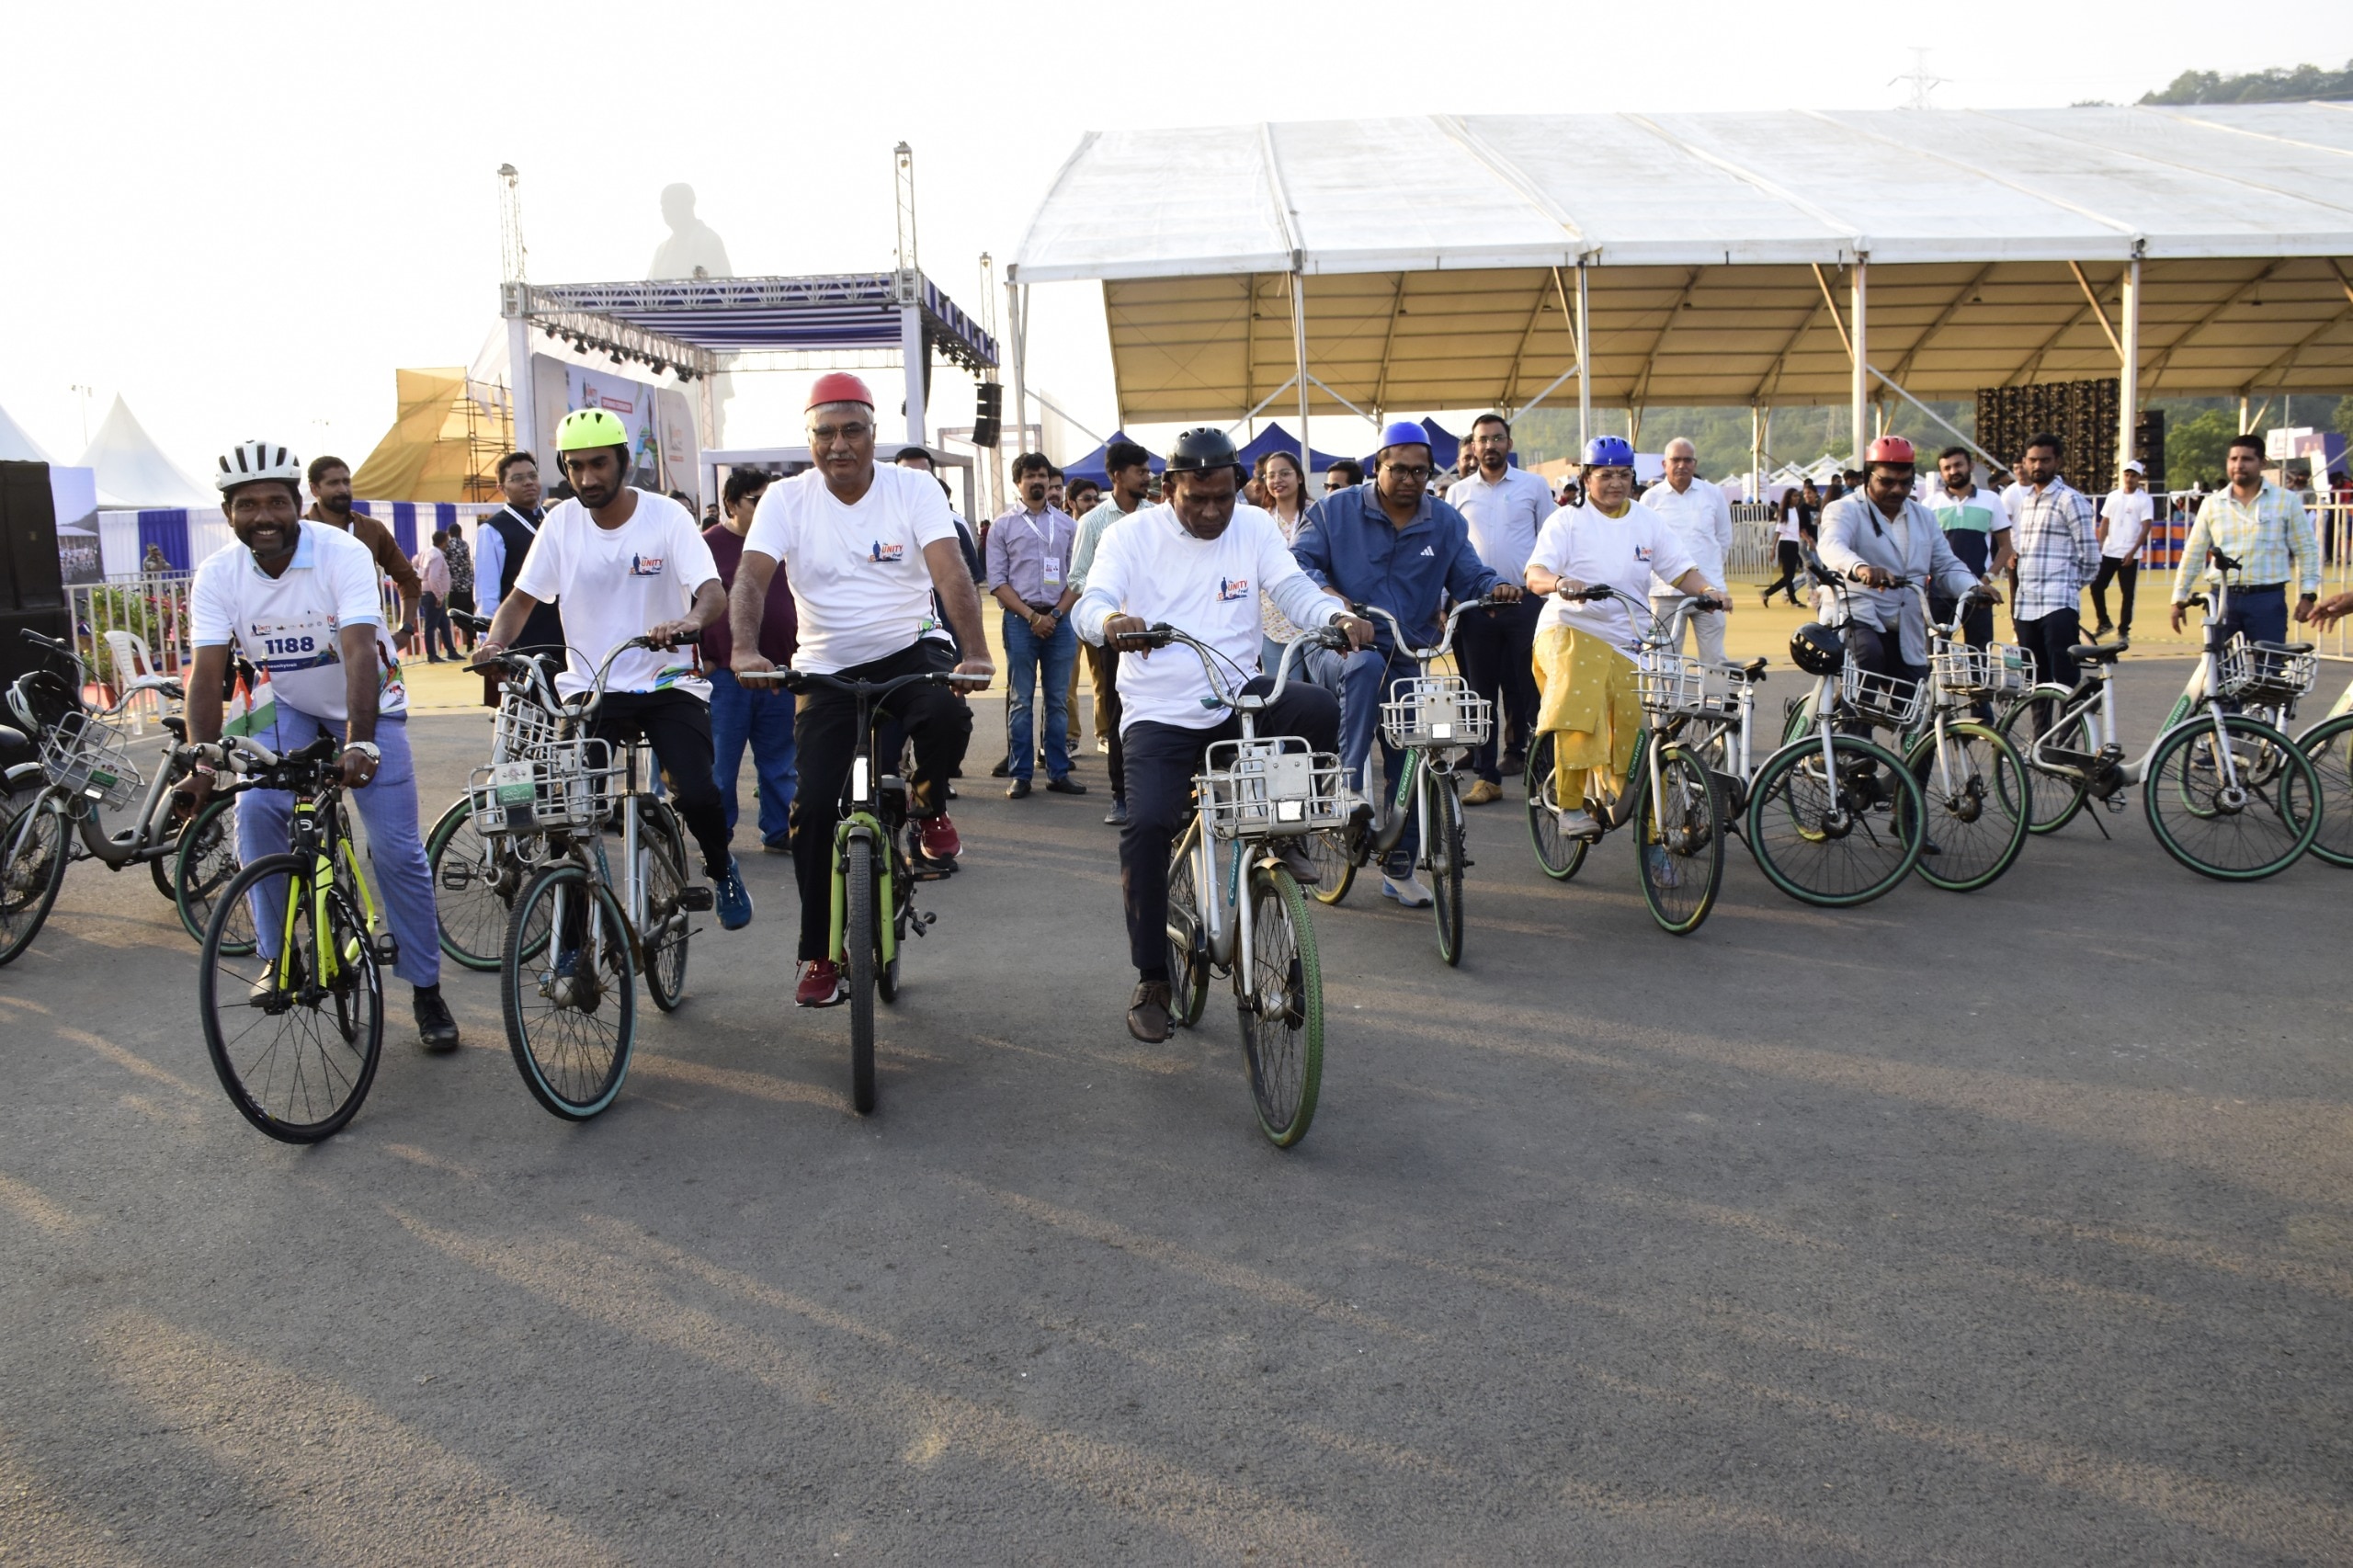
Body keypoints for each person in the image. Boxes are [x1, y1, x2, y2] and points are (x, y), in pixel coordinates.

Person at [1074, 427, 1372, 1043]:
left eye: (1222, 498)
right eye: (1195, 500)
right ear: (1168, 489)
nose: (1211, 512)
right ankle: (1153, 976)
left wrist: (1335, 617)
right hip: (1162, 711)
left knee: (1314, 707)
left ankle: (1287, 833)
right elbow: (1091, 599)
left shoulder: (1255, 527)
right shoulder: (1131, 535)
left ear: (1239, 487)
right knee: (1149, 825)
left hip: (1242, 696)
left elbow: (1292, 590)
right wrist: (1110, 621)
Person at [181, 438, 458, 1051]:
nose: (264, 517)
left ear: (297, 504)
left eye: (276, 502)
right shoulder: (218, 574)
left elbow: (360, 649)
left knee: (394, 849)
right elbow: (206, 673)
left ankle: (425, 985)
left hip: (368, 705)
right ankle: (279, 956)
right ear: (228, 514)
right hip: (290, 704)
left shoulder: (340, 552)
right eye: (247, 505)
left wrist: (360, 744)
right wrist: (200, 762)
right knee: (256, 811)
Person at [725, 372, 992, 1007]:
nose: (839, 445)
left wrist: (976, 650)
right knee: (813, 809)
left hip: (910, 644)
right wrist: (743, 647)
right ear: (809, 439)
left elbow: (949, 570)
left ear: (873, 434)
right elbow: (751, 581)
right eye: (825, 433)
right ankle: (818, 953)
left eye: (852, 431)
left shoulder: (913, 487)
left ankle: (929, 808)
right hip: (825, 669)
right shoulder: (786, 500)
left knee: (946, 716)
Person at [472, 408, 753, 931]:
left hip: (667, 682)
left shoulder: (666, 516)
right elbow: (521, 599)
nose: (587, 479)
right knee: (565, 814)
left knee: (696, 792)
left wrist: (689, 621)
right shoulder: (560, 523)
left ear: (624, 461)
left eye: (598, 464)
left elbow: (711, 592)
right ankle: (574, 942)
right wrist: (493, 644)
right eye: (575, 467)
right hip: (591, 688)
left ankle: (721, 866)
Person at [1291, 419, 1516, 907]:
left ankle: (1399, 867)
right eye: (1400, 470)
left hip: (1409, 653)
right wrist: (1335, 604)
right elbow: (1298, 567)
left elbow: (1470, 574)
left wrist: (1492, 587)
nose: (1411, 479)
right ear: (1377, 468)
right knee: (1366, 668)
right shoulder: (1333, 511)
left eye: (1421, 471)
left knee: (1412, 756)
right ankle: (1350, 790)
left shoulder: (1446, 521)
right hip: (1338, 649)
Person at [1522, 437, 1726, 843]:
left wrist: (1709, 590)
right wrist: (1563, 584)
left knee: (1640, 734)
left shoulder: (1647, 521)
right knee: (1580, 698)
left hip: (1626, 639)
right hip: (1568, 628)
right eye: (1605, 475)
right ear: (1586, 478)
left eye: (1623, 474)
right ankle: (1570, 804)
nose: (1615, 483)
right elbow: (1535, 575)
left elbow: (1681, 570)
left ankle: (1654, 838)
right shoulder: (1566, 520)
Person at [1816, 436, 1997, 700]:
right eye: (1887, 481)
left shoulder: (1923, 516)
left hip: (1907, 624)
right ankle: (1852, 737)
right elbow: (1831, 545)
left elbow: (1946, 565)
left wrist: (1973, 587)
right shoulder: (1844, 510)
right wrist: (1861, 568)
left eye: (1905, 482)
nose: (1897, 490)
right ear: (1868, 477)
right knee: (1868, 661)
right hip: (1858, 612)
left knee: (1916, 702)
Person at [1445, 413, 1552, 802]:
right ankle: (1487, 777)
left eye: (1497, 438)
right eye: (1482, 440)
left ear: (1509, 443)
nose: (1489, 445)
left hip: (1526, 604)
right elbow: (1449, 553)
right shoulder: (1457, 493)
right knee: (1480, 696)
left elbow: (1549, 541)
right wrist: (1445, 605)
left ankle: (1543, 776)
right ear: (1472, 447)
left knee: (1533, 691)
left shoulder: (1533, 486)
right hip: (1476, 607)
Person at [701, 466, 797, 856]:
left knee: (780, 763)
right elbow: (692, 604)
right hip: (727, 675)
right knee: (721, 767)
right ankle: (718, 836)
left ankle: (779, 831)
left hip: (781, 671)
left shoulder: (787, 543)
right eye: (756, 500)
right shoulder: (708, 545)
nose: (765, 507)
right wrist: (705, 657)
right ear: (730, 503)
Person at [990, 452, 1086, 798]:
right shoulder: (1003, 526)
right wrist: (1032, 617)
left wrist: (1055, 615)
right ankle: (1021, 774)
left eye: (1042, 475)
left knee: (1058, 700)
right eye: (1030, 475)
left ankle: (1058, 772)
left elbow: (1077, 578)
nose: (1037, 481)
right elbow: (997, 581)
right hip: (1020, 620)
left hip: (1059, 621)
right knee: (1021, 700)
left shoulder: (1066, 525)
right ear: (1018, 482)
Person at [1070, 440, 1154, 826]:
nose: (1148, 476)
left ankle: (1180, 791)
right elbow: (1078, 578)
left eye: (1149, 470)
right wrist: (1114, 606)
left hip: (1159, 633)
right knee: (1121, 713)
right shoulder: (1093, 522)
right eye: (1141, 471)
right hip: (1115, 635)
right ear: (1117, 476)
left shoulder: (1161, 516)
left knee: (1171, 708)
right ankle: (1121, 796)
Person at [2170, 432, 2322, 645]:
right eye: (2233, 459)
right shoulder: (2212, 504)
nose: (2239, 465)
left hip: (2267, 599)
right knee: (2221, 674)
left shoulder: (2286, 502)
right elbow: (2193, 553)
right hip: (2222, 599)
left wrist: (2308, 595)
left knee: (2269, 673)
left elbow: (2307, 550)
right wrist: (2178, 598)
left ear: (2262, 463)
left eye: (2247, 459)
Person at [2005, 432, 2100, 693]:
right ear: (2024, 462)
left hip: (2058, 604)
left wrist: (2067, 584)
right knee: (2035, 683)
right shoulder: (2025, 503)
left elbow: (2091, 557)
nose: (2038, 466)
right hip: (2026, 607)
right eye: (2032, 460)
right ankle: (2041, 735)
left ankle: (2067, 734)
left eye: (2044, 460)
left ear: (2057, 461)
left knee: (2064, 681)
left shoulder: (2071, 500)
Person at [475, 451, 566, 705]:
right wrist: (490, 644)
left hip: (564, 637)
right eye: (517, 478)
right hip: (522, 640)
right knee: (528, 720)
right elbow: (487, 594)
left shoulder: (556, 521)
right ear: (501, 487)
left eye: (532, 475)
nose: (528, 482)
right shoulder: (493, 530)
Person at [1254, 448, 1344, 700]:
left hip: (1316, 613)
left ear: (1300, 477)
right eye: (1270, 476)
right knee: (1281, 695)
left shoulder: (1318, 513)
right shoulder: (1260, 520)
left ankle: (1325, 742)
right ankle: (1286, 743)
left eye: (1285, 473)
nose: (1277, 480)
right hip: (1273, 621)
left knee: (1323, 693)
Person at [1639, 437, 1734, 668]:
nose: (1682, 465)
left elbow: (1723, 540)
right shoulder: (1650, 498)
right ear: (1664, 464)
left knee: (1714, 660)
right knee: (1663, 659)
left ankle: (1713, 703)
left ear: (1695, 463)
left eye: (1687, 460)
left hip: (1709, 592)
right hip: (1664, 593)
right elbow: (1643, 544)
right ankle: (1661, 705)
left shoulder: (1713, 494)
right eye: (1676, 460)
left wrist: (1707, 574)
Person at [302, 456, 418, 645]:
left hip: (368, 641)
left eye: (346, 482)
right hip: (317, 645)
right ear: (315, 489)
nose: (343, 489)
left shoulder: (372, 529)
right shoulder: (300, 532)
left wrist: (405, 629)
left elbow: (408, 578)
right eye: (333, 483)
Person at [1926, 448, 2014, 650]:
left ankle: (1978, 683)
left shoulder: (1991, 500)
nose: (1952, 471)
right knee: (1936, 655)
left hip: (1978, 591)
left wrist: (1986, 579)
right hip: (1939, 593)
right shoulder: (1929, 504)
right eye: (1946, 468)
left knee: (1979, 655)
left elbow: (2006, 547)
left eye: (1958, 465)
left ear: (1970, 466)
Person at [2094, 460, 2154, 639]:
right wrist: (2100, 543)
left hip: (2129, 552)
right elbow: (2105, 521)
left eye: (2133, 475)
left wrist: (2134, 550)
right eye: (2127, 475)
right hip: (2110, 550)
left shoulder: (2144, 500)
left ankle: (2123, 629)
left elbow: (2146, 526)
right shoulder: (2113, 496)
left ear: (2139, 478)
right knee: (2097, 586)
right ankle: (2104, 621)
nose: (2129, 478)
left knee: (2127, 593)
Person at [413, 529, 458, 662]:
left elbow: (414, 561)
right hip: (433, 594)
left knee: (444, 624)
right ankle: (432, 655)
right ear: (443, 542)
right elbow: (433, 577)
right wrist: (439, 595)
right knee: (431, 626)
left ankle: (451, 651)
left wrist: (420, 574)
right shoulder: (437, 555)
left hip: (429, 592)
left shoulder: (427, 551)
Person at [1762, 489, 1806, 605]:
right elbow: (1778, 531)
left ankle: (1767, 593)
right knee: (1788, 576)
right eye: (1794, 496)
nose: (1797, 498)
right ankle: (1793, 600)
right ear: (1789, 498)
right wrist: (1773, 549)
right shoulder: (1784, 511)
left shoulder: (1795, 510)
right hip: (1786, 544)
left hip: (1794, 543)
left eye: (1797, 496)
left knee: (1788, 576)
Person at [442, 519, 476, 648]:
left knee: (453, 613)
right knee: (468, 615)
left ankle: (470, 632)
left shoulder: (449, 545)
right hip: (468, 584)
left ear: (449, 533)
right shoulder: (465, 544)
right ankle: (470, 642)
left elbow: (446, 563)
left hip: (455, 586)